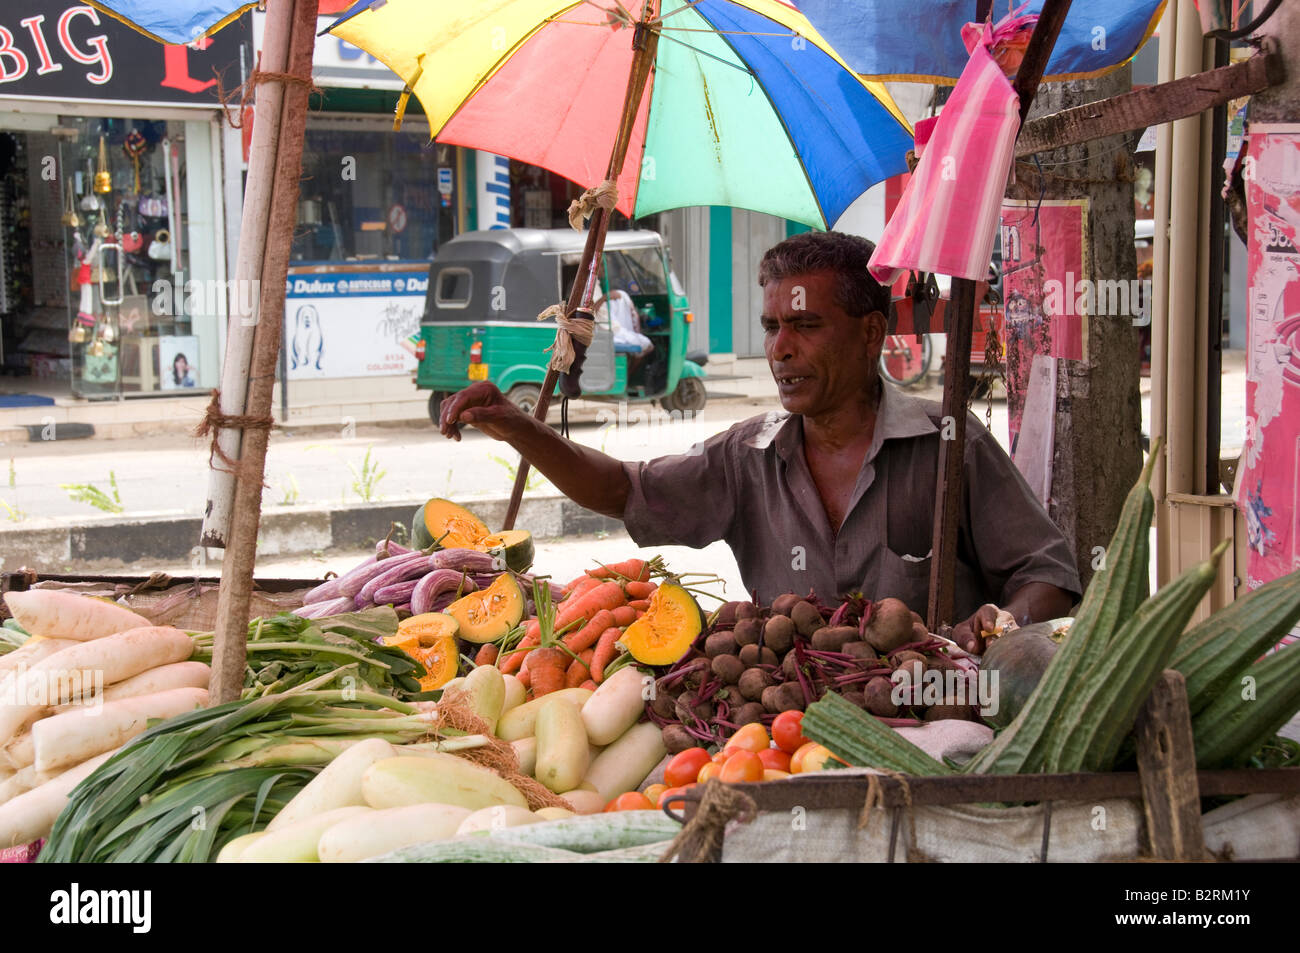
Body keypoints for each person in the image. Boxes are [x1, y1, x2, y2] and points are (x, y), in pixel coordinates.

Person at [439, 232, 1081, 652]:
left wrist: (996, 626)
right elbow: (623, 489)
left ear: (869, 334)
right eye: (772, 326)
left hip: (934, 728)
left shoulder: (949, 448)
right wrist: (519, 426)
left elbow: (1050, 576)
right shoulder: (743, 458)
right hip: (781, 730)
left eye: (806, 325)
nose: (781, 349)